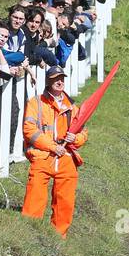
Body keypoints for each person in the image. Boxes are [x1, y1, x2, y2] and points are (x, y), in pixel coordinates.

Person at [21, 66, 88, 238]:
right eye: (55, 79)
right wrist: (52, 146)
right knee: (34, 198)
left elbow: (83, 133)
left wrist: (76, 139)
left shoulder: (73, 107)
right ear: (48, 81)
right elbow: (29, 130)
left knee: (65, 202)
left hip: (66, 158)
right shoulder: (36, 103)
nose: (59, 82)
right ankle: (29, 235)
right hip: (42, 156)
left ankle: (59, 238)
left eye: (62, 79)